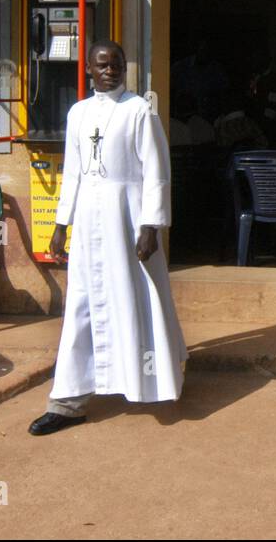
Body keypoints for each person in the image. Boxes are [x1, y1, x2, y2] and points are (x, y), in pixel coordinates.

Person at [28, 40, 188, 435]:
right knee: (82, 306)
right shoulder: (78, 113)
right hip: (87, 225)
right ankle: (67, 401)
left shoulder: (138, 110)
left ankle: (152, 380)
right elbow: (74, 173)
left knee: (137, 300)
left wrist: (150, 225)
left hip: (128, 220)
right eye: (102, 65)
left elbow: (155, 171)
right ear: (88, 70)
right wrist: (61, 224)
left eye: (116, 63)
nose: (110, 70)